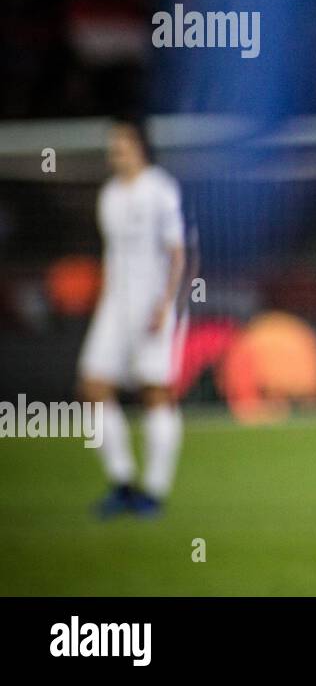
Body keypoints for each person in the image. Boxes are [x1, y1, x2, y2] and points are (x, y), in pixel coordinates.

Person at [78, 116, 185, 517]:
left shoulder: (160, 189)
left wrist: (165, 303)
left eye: (120, 144)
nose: (114, 152)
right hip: (114, 305)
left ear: (139, 146)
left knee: (155, 392)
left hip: (151, 303)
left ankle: (154, 492)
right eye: (112, 145)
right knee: (92, 386)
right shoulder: (108, 195)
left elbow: (176, 252)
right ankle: (121, 481)